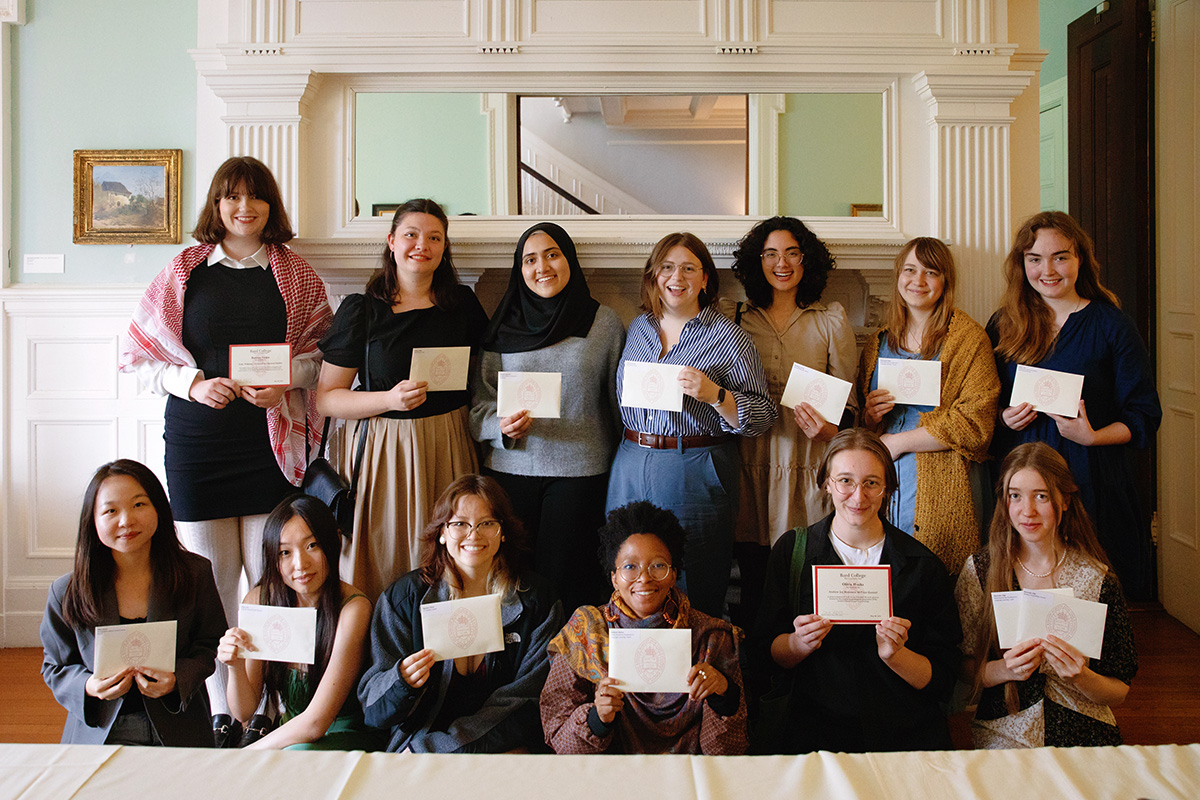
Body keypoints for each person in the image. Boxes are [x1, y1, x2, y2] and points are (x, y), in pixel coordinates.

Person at [119, 156, 331, 720]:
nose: (244, 208)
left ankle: (269, 709)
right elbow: (139, 358)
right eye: (232, 197)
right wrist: (191, 384)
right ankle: (221, 715)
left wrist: (287, 380)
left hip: (270, 447)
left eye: (256, 197)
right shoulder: (185, 269)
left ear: (271, 207)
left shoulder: (296, 273)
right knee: (210, 589)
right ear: (217, 205)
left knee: (272, 584)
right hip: (198, 447)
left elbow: (324, 359)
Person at [317, 199, 489, 602]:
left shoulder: (461, 305)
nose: (421, 245)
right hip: (385, 449)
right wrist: (389, 399)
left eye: (434, 237)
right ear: (391, 241)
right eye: (411, 235)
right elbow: (328, 399)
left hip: (449, 442)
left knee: (452, 553)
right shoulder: (362, 310)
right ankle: (383, 651)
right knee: (387, 551)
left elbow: (486, 374)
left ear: (444, 248)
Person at [750, 429, 962, 753]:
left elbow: (944, 679)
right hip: (812, 738)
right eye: (846, 481)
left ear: (887, 487)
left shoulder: (922, 566)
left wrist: (898, 656)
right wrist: (796, 643)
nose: (858, 497)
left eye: (871, 483)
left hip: (903, 738)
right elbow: (764, 654)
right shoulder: (794, 552)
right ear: (827, 483)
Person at [988, 211, 1161, 600]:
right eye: (1034, 259)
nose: (1047, 269)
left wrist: (1094, 436)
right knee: (1025, 587)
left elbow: (1145, 415)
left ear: (1080, 259)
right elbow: (984, 404)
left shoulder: (1112, 324)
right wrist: (1004, 417)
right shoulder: (1004, 324)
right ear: (1022, 265)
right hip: (1023, 478)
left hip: (1090, 478)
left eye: (1060, 257)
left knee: (1090, 595)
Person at [608, 232, 775, 618]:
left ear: (705, 279)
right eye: (667, 267)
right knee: (629, 573)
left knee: (695, 579)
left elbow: (763, 413)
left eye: (688, 268)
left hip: (695, 466)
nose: (676, 277)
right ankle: (636, 670)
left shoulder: (729, 337)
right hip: (631, 461)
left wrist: (716, 394)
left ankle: (697, 667)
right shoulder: (638, 329)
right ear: (654, 275)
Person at [470, 222, 625, 611]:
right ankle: (517, 665)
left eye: (552, 254)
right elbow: (477, 408)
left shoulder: (603, 323)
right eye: (530, 259)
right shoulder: (502, 324)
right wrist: (499, 426)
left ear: (569, 259)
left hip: (581, 476)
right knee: (509, 581)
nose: (542, 266)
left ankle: (566, 667)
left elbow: (619, 404)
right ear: (519, 270)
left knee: (568, 585)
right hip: (509, 473)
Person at [357, 474, 563, 752]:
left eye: (487, 523)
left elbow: (529, 700)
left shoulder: (538, 601)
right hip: (415, 748)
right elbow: (372, 708)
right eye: (460, 524)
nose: (473, 535)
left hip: (501, 750)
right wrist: (402, 680)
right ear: (442, 533)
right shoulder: (404, 599)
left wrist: (441, 749)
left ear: (503, 532)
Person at [956, 442, 1137, 748]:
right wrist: (1003, 670)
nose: (1027, 511)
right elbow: (960, 665)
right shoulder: (980, 570)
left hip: (1084, 724)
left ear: (1065, 500)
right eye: (1015, 496)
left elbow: (1119, 691)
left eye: (1041, 496)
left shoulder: (1096, 578)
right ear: (1004, 500)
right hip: (1004, 727)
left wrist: (1080, 676)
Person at [726, 216, 858, 624]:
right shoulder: (734, 318)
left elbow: (852, 411)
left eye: (792, 253)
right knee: (750, 582)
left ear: (807, 260)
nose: (781, 263)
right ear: (757, 261)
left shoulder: (830, 320)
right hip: (747, 461)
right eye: (770, 254)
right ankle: (755, 674)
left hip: (807, 461)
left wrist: (829, 430)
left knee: (802, 581)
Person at [40, 460, 226, 746]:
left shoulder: (195, 573)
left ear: (158, 509)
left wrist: (177, 679)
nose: (126, 520)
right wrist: (88, 686)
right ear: (93, 521)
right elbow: (55, 666)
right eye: (111, 511)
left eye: (139, 505)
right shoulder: (67, 590)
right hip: (102, 732)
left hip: (180, 726)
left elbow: (209, 643)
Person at [540, 501, 748, 754]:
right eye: (630, 567)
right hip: (610, 779)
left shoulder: (710, 637)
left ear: (673, 574)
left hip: (689, 779)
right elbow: (559, 742)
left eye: (658, 565)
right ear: (614, 578)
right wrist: (597, 719)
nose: (645, 578)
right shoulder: (586, 632)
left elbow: (729, 752)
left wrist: (723, 695)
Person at [856, 237, 999, 574]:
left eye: (930, 272)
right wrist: (871, 416)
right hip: (887, 482)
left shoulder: (968, 339)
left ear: (945, 280)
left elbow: (976, 424)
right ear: (898, 276)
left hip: (946, 482)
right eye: (909, 270)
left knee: (937, 580)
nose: (918, 281)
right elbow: (865, 427)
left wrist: (897, 442)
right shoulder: (879, 341)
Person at [217, 495, 384, 750]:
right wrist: (235, 666)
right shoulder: (261, 601)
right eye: (285, 552)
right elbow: (244, 711)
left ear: (333, 543)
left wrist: (247, 754)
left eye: (312, 546)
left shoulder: (353, 608)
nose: (300, 565)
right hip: (292, 735)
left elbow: (317, 723)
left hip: (344, 732)